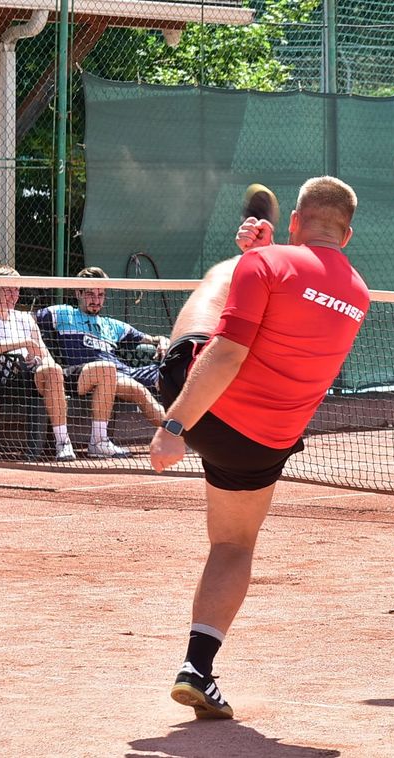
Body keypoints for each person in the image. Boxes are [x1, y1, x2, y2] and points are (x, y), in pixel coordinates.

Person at [150, 176, 369, 720]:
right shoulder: (359, 293)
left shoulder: (264, 265)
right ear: (347, 234)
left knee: (218, 277)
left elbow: (227, 353)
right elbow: (295, 312)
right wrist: (267, 257)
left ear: (295, 221)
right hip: (262, 445)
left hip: (200, 406)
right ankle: (197, 668)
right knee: (233, 546)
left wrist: (173, 427)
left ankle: (227, 265)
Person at [35, 267, 170, 457]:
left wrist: (162, 341)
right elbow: (27, 320)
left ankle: (194, 426)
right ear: (78, 293)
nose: (96, 300)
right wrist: (36, 349)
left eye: (101, 295)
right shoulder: (62, 313)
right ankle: (181, 435)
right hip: (91, 374)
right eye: (90, 294)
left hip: (126, 371)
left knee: (172, 373)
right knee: (137, 389)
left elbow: (151, 339)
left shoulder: (112, 325)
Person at [0, 265, 75, 461]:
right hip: (3, 384)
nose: (14, 295)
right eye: (9, 289)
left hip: (31, 376)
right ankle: (58, 442)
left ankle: (63, 443)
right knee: (51, 372)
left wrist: (35, 358)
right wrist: (23, 343)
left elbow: (45, 355)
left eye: (17, 289)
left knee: (53, 369)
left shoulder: (25, 319)